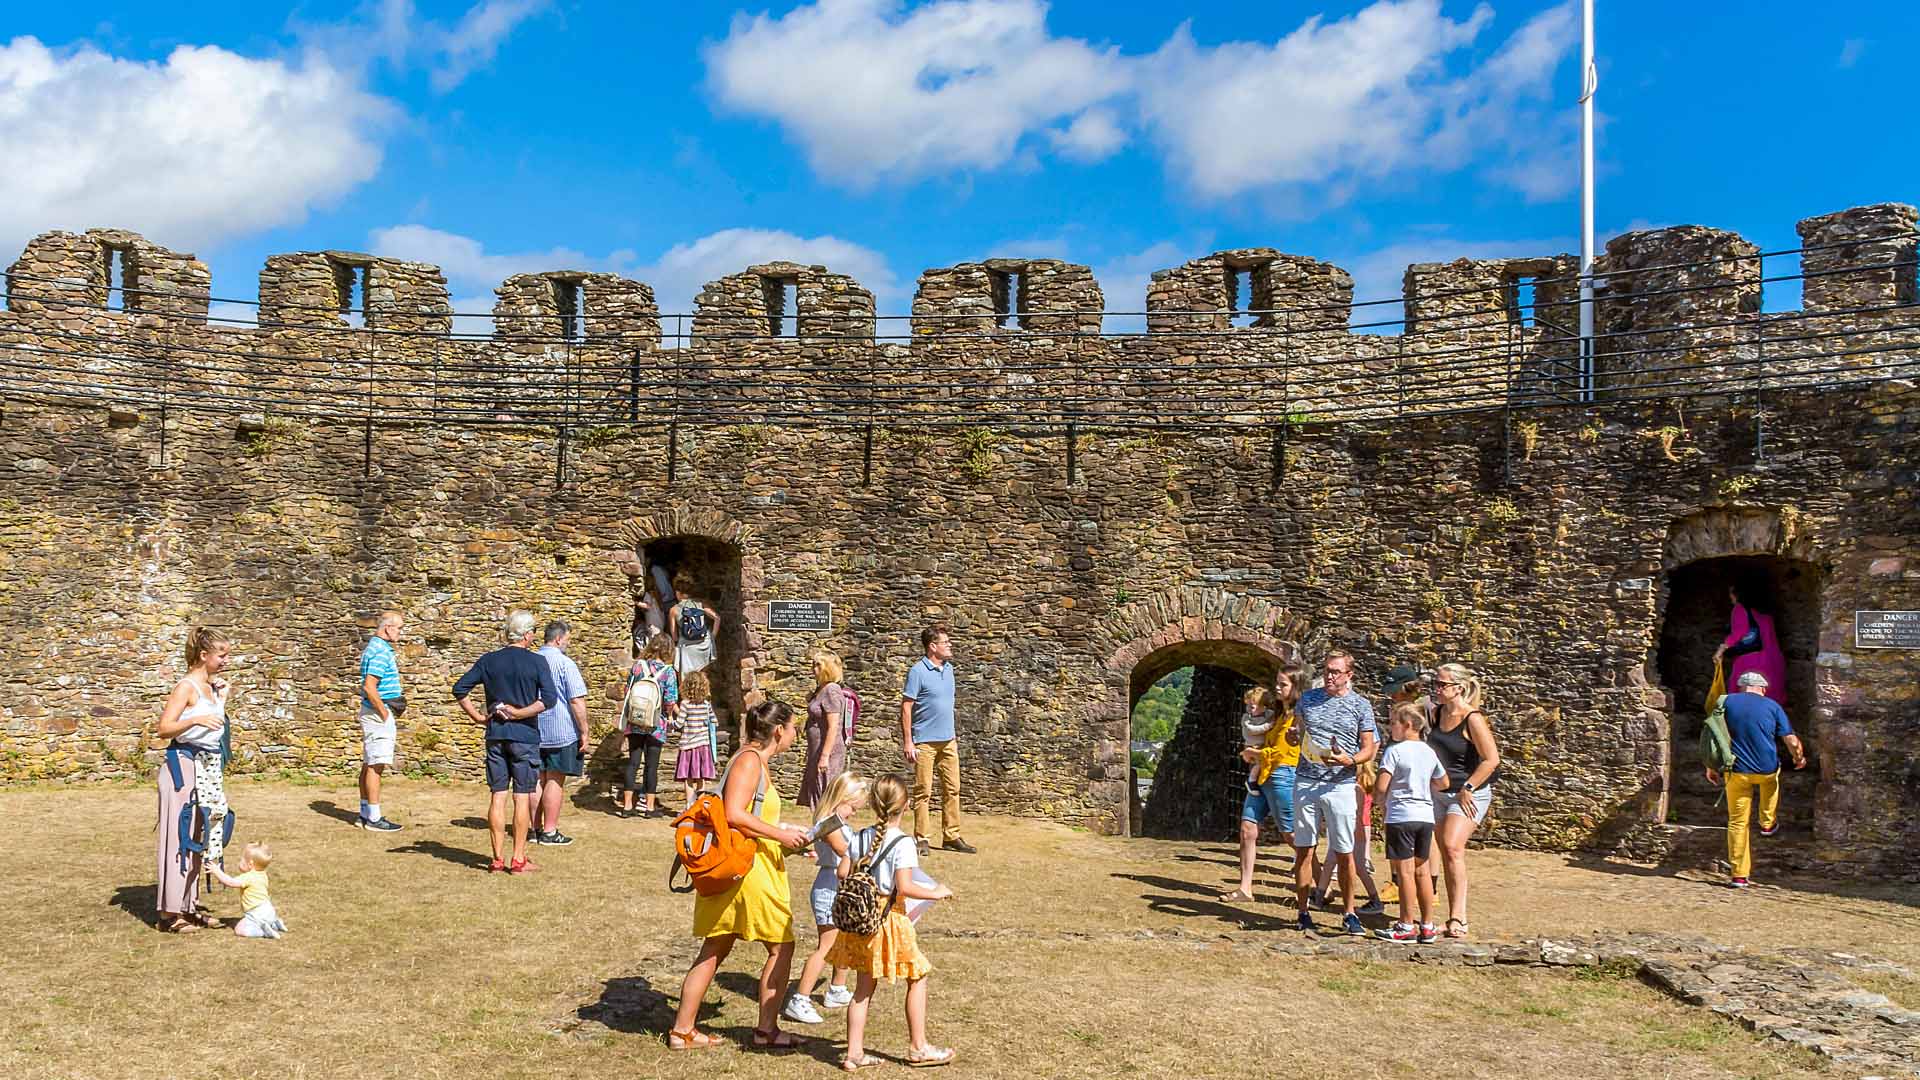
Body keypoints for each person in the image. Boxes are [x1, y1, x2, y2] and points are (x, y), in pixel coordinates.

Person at [667, 701, 813, 1052]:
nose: (796, 734)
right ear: (779, 730)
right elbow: (733, 813)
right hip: (747, 871)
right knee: (781, 945)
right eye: (794, 727)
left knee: (716, 946)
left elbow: (752, 813)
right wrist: (779, 835)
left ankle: (682, 1030)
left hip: (749, 865)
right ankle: (766, 1030)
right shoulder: (749, 761)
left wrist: (786, 834)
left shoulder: (755, 761)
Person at [829, 774, 957, 1070]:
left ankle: (854, 1053)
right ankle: (919, 1046)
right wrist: (936, 892)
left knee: (863, 987)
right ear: (906, 805)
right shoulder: (902, 843)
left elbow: (842, 874)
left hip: (862, 923)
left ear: (873, 803)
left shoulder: (860, 837)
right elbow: (907, 887)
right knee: (918, 976)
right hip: (889, 919)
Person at [451, 611, 559, 875]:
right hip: (524, 736)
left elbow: (459, 689)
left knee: (498, 795)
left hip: (496, 735)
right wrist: (521, 713)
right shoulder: (537, 662)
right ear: (526, 635)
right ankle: (518, 859)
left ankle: (497, 858)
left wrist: (478, 717)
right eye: (533, 631)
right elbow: (549, 699)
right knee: (521, 797)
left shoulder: (490, 660)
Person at [1290, 649, 1379, 935]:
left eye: (1336, 671)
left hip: (1340, 783)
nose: (1329, 676)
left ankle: (1349, 912)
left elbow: (1370, 748)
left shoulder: (1360, 706)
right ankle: (1303, 911)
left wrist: (1350, 760)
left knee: (1344, 851)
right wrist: (1293, 735)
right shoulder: (1308, 700)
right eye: (1327, 670)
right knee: (1305, 849)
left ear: (1348, 675)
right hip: (1306, 780)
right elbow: (1297, 729)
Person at [152, 627, 232, 933]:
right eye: (221, 654)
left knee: (201, 836)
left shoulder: (213, 687)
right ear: (204, 655)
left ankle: (189, 905)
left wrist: (222, 699)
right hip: (182, 768)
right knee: (179, 836)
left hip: (207, 768)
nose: (226, 660)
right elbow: (164, 728)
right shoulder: (185, 687)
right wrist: (195, 718)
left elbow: (214, 730)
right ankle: (169, 914)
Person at [785, 771, 870, 1025]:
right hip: (829, 888)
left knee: (843, 940)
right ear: (843, 798)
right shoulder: (829, 823)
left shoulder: (841, 824)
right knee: (827, 945)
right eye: (853, 807)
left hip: (840, 887)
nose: (854, 813)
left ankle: (837, 988)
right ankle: (800, 999)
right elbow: (845, 851)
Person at [1708, 671, 1807, 888]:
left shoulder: (1725, 702)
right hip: (1766, 768)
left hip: (1736, 770)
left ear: (1740, 686)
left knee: (1737, 822)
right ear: (1763, 689)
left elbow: (1713, 736)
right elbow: (1790, 739)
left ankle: (1739, 875)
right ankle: (1767, 822)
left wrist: (1711, 765)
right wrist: (1798, 757)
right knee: (1771, 785)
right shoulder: (1773, 706)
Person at [1426, 661, 1501, 939]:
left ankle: (1459, 918)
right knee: (1444, 851)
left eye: (1442, 684)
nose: (1437, 688)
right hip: (1439, 792)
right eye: (1436, 683)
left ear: (1458, 688)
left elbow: (1491, 759)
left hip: (1469, 793)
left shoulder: (1473, 719)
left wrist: (1469, 786)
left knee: (1452, 846)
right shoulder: (1436, 714)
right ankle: (1436, 914)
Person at [1222, 660, 1303, 904]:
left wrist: (1254, 754)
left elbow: (1282, 752)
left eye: (1283, 684)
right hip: (1265, 774)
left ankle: (1319, 882)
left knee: (1290, 834)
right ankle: (1245, 888)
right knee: (1247, 829)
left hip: (1282, 775)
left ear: (1295, 687)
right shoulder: (1279, 715)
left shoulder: (1296, 717)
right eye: (1277, 683)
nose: (1277, 688)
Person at [1373, 704, 1448, 943]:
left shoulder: (1395, 751)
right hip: (1424, 816)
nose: (1390, 728)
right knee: (1422, 871)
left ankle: (1406, 923)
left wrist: (1379, 800)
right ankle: (1427, 924)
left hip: (1400, 816)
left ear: (1407, 725)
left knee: (1404, 873)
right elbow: (1444, 781)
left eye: (1394, 723)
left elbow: (1382, 785)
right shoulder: (1428, 752)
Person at [901, 625, 974, 857]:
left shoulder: (949, 669)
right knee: (923, 791)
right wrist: (908, 742)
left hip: (948, 741)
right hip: (924, 742)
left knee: (953, 789)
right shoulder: (917, 672)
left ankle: (951, 836)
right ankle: (922, 838)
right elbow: (906, 707)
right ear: (933, 646)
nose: (949, 645)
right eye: (945, 642)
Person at [532, 621, 590, 846]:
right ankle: (549, 831)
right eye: (567, 639)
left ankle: (532, 828)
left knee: (537, 780)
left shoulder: (532, 660)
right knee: (555, 779)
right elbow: (576, 700)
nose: (568, 643)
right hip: (561, 728)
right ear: (558, 639)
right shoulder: (565, 664)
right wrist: (584, 730)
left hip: (534, 728)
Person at [356, 610, 407, 832]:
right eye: (399, 628)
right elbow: (369, 686)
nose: (401, 633)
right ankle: (374, 819)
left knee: (369, 762)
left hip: (375, 712)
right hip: (378, 713)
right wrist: (384, 713)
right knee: (376, 765)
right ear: (387, 628)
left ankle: (365, 812)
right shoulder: (379, 652)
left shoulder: (376, 648)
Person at [619, 636, 680, 817]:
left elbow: (627, 691)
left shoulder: (638, 666)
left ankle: (627, 806)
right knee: (651, 766)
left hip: (635, 721)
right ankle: (649, 808)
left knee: (633, 763)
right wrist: (670, 715)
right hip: (656, 723)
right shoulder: (668, 672)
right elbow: (670, 700)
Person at [1716, 576, 1788, 709]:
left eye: (1731, 593)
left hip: (1751, 660)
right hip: (1773, 660)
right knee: (1769, 701)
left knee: (1743, 700)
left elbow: (1738, 633)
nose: (1730, 597)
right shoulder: (1766, 612)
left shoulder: (1739, 609)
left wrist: (1720, 650)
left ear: (1738, 594)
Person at [800, 649, 851, 809]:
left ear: (828, 668)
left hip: (829, 750)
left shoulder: (831, 690)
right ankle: (818, 829)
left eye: (818, 665)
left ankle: (825, 831)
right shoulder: (822, 689)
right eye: (813, 665)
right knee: (817, 792)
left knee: (825, 793)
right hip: (818, 749)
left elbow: (833, 725)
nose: (813, 669)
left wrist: (824, 756)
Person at [208, 842, 287, 939]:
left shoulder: (248, 877)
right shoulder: (263, 874)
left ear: (250, 864)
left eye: (242, 859)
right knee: (263, 920)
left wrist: (217, 871)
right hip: (268, 909)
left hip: (256, 912)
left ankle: (262, 932)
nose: (239, 861)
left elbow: (230, 882)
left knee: (239, 929)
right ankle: (274, 924)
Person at [674, 670, 719, 809]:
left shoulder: (685, 704)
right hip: (703, 746)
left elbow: (679, 724)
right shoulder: (706, 705)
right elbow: (714, 722)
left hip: (688, 746)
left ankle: (689, 805)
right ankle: (701, 805)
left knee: (688, 778)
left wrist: (670, 721)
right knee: (701, 778)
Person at [670, 579, 720, 677]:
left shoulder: (674, 610)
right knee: (702, 677)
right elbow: (717, 618)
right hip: (703, 645)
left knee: (684, 679)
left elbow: (674, 636)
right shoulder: (700, 604)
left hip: (686, 648)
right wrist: (712, 638)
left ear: (678, 592)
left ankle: (685, 692)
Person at [1239, 686, 1277, 793]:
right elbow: (1253, 730)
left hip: (1263, 745)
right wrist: (1268, 726)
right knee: (1258, 764)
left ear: (1263, 706)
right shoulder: (1247, 718)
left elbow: (1275, 717)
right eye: (1248, 706)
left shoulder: (1268, 714)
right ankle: (1251, 780)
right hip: (1252, 745)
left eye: (1253, 707)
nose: (1249, 709)